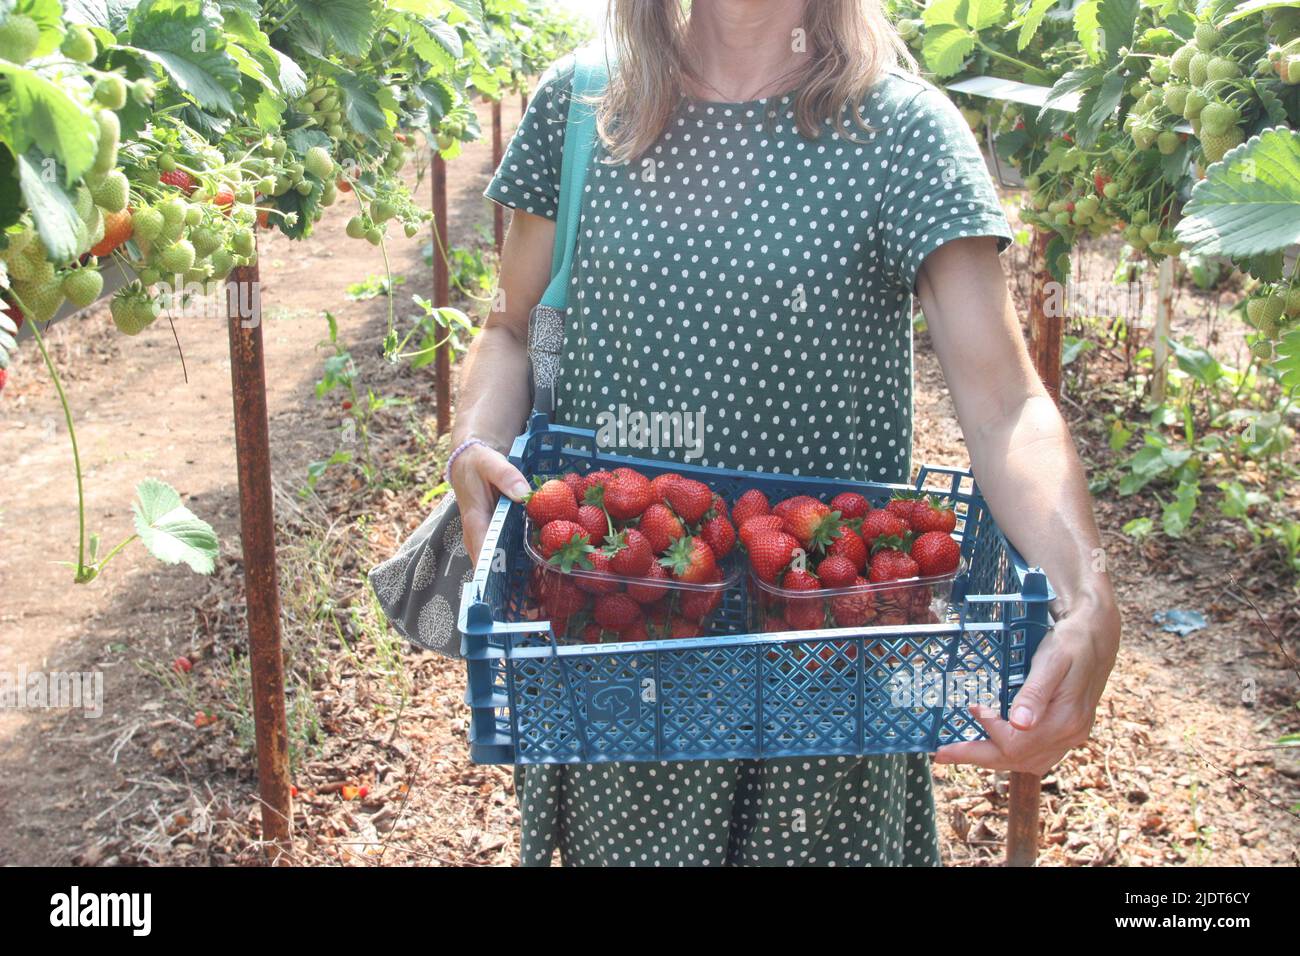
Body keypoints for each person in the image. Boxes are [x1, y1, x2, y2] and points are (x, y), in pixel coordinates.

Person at [449, 0, 1120, 866]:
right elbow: (510, 329)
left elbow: (1005, 404)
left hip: (822, 680)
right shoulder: (583, 107)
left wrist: (1087, 590)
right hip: (620, 652)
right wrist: (473, 444)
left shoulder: (904, 133)